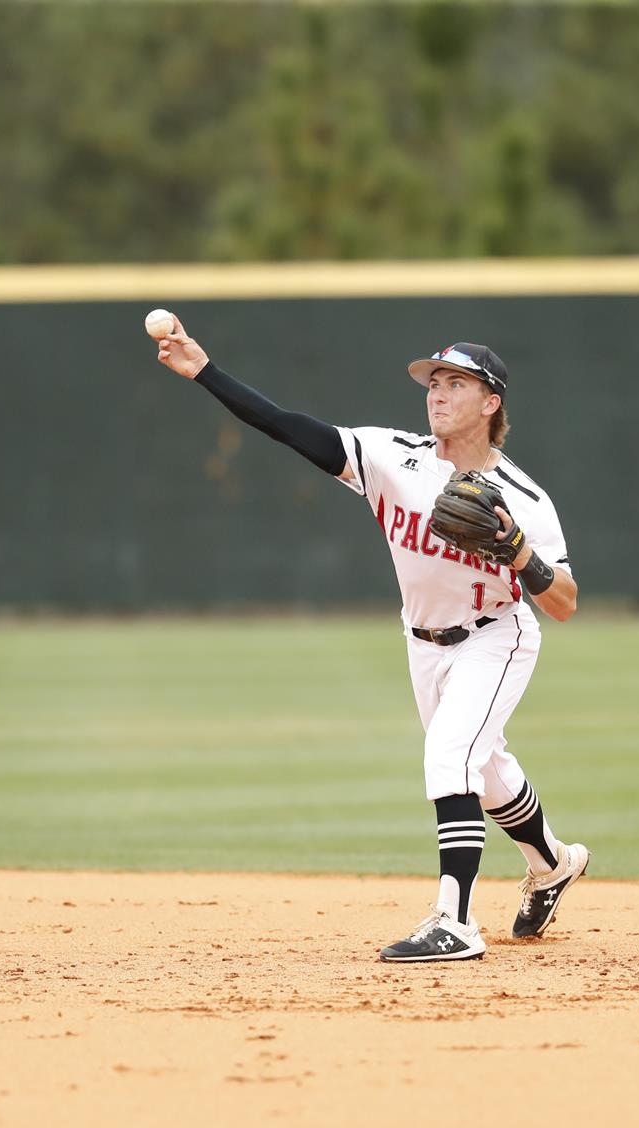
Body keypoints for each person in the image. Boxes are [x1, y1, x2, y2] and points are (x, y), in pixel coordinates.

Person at [152, 322, 589, 963]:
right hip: (423, 641)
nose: (437, 394)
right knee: (486, 770)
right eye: (433, 382)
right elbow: (285, 425)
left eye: (455, 383)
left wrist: (519, 551)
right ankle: (554, 864)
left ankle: (455, 921)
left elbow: (566, 603)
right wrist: (204, 370)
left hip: (496, 635)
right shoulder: (391, 456)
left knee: (450, 755)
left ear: (491, 403)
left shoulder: (524, 499)